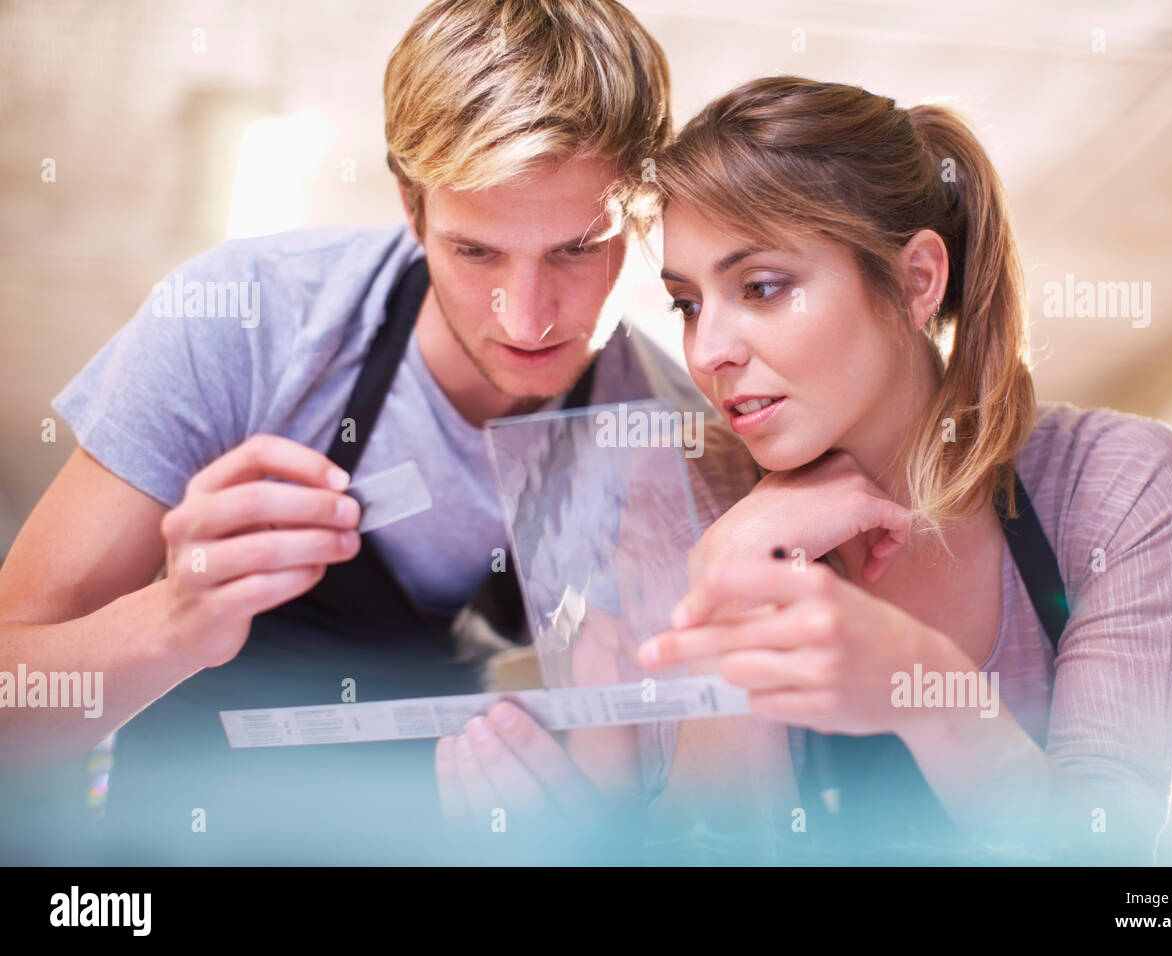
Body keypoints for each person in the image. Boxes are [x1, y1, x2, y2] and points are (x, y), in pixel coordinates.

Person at [0, 0, 707, 864]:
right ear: (412, 209)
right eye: (475, 252)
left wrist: (583, 837)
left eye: (576, 249)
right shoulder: (246, 323)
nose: (524, 319)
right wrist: (169, 624)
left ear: (643, 215)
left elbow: (695, 819)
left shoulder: (673, 444)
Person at [620, 76, 1172, 864]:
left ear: (915, 280)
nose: (707, 351)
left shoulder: (1114, 485)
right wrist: (732, 583)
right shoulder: (676, 501)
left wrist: (920, 684)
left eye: (761, 287)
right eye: (688, 304)